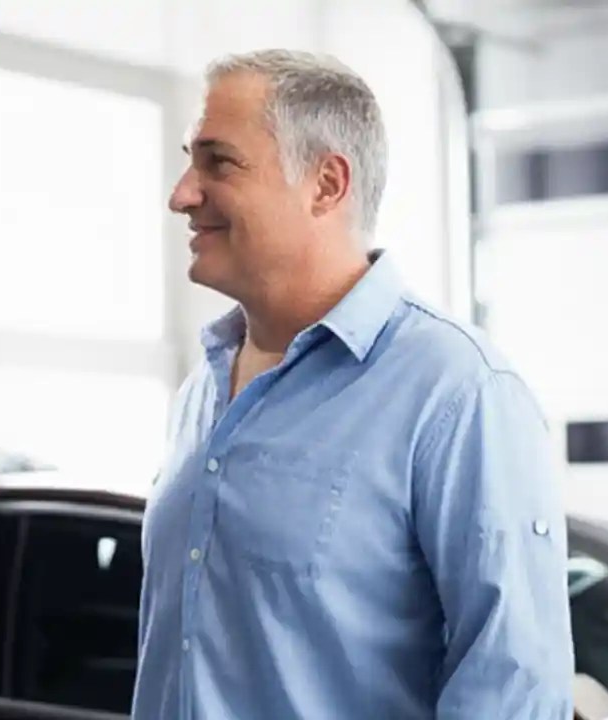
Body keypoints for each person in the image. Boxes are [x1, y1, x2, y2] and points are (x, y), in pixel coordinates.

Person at [133, 49, 574, 719]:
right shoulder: (203, 390)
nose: (182, 194)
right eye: (190, 159)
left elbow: (513, 687)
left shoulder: (456, 392)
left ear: (326, 184)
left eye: (218, 162)